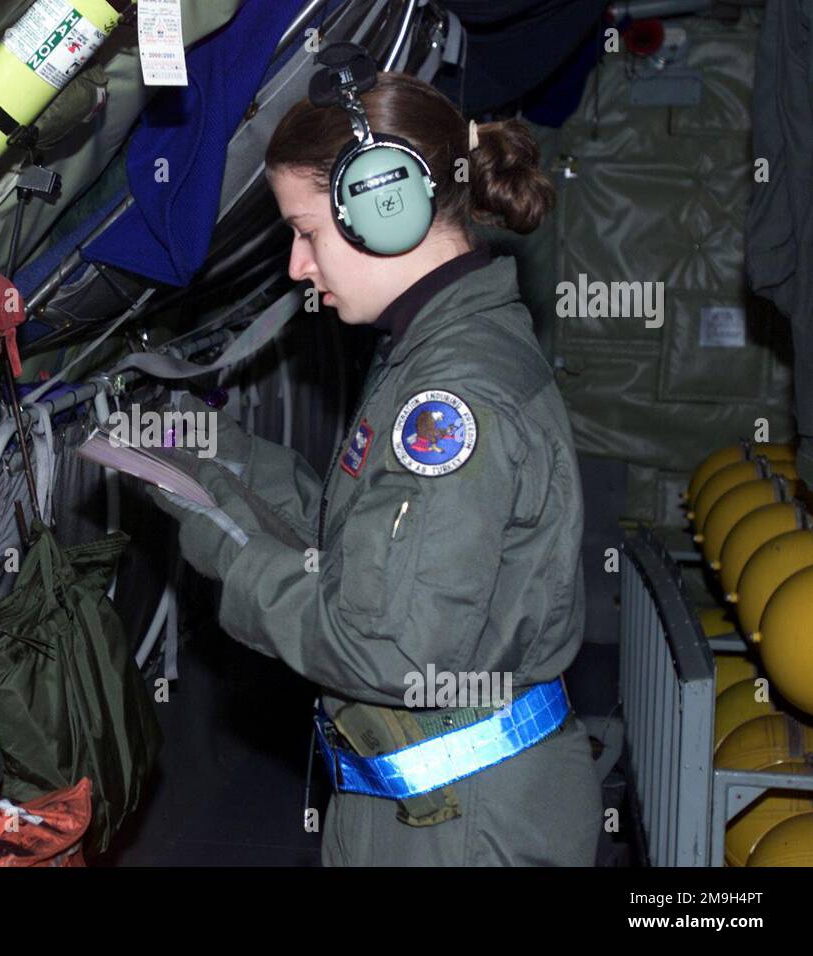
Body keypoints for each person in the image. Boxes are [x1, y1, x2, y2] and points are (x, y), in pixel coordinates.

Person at [147, 62, 603, 866]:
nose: (297, 265)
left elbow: (387, 650)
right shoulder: (437, 345)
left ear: (385, 211)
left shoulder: (453, 395)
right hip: (438, 807)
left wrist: (220, 540)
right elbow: (369, 542)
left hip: (462, 829)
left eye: (306, 231)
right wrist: (206, 449)